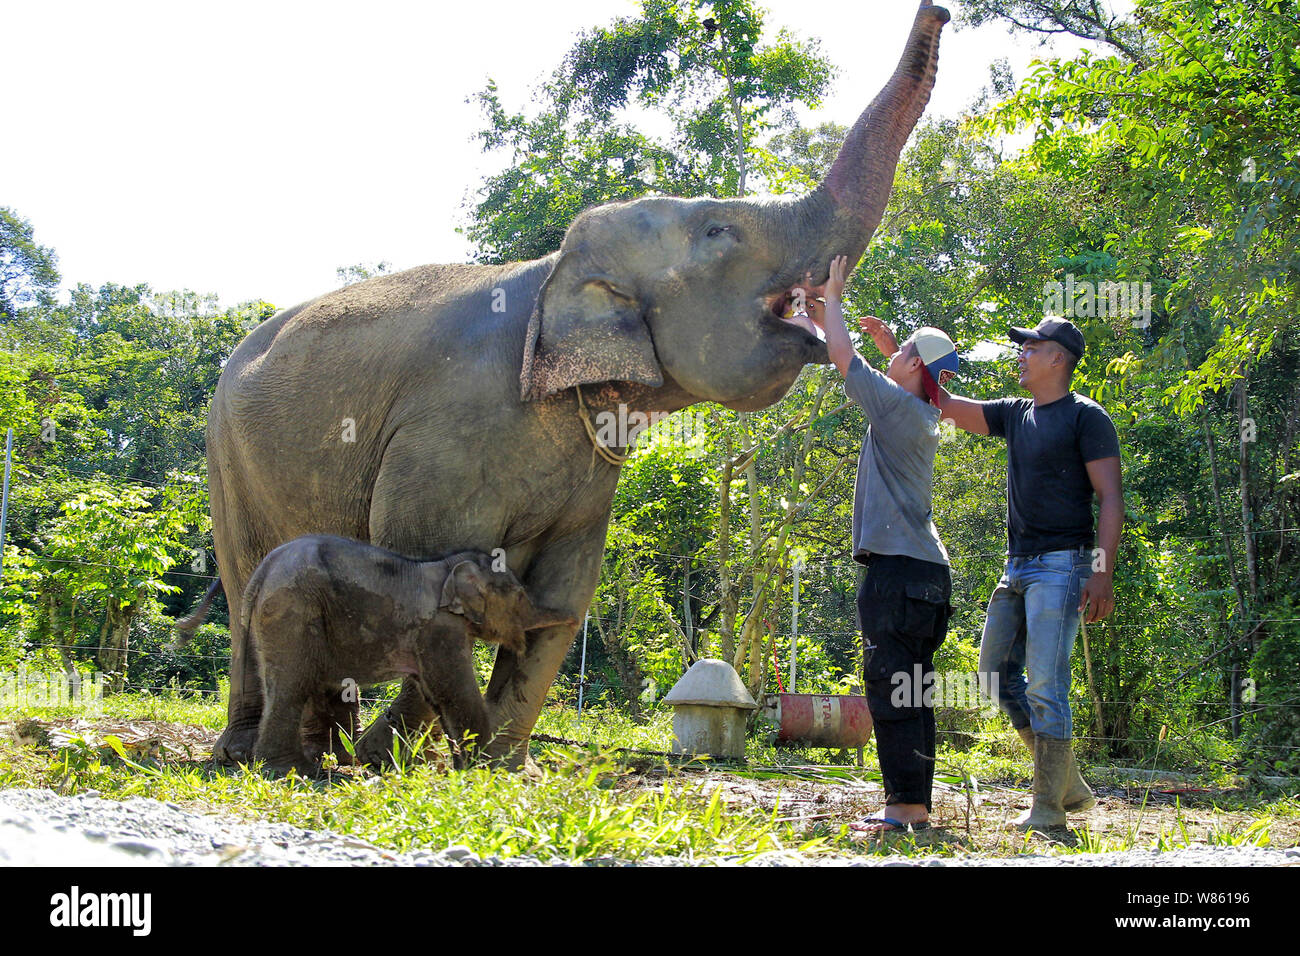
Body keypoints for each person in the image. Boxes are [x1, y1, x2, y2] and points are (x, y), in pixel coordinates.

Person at [935, 316, 1123, 830]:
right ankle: (1068, 785)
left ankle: (1048, 811)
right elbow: (945, 406)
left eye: (1031, 348)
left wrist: (1101, 571)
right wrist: (897, 353)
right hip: (1017, 565)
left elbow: (1110, 497)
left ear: (1058, 358)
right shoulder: (1016, 414)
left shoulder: (1087, 417)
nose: (1021, 355)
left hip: (1064, 566)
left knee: (1045, 683)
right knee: (994, 674)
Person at [799, 255, 960, 833]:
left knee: (892, 688)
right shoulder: (922, 412)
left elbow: (846, 359)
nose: (891, 352)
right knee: (913, 690)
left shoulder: (895, 408)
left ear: (913, 364)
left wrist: (836, 298)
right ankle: (915, 803)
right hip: (926, 577)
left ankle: (905, 808)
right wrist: (824, 317)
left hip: (897, 575)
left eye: (901, 350)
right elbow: (867, 358)